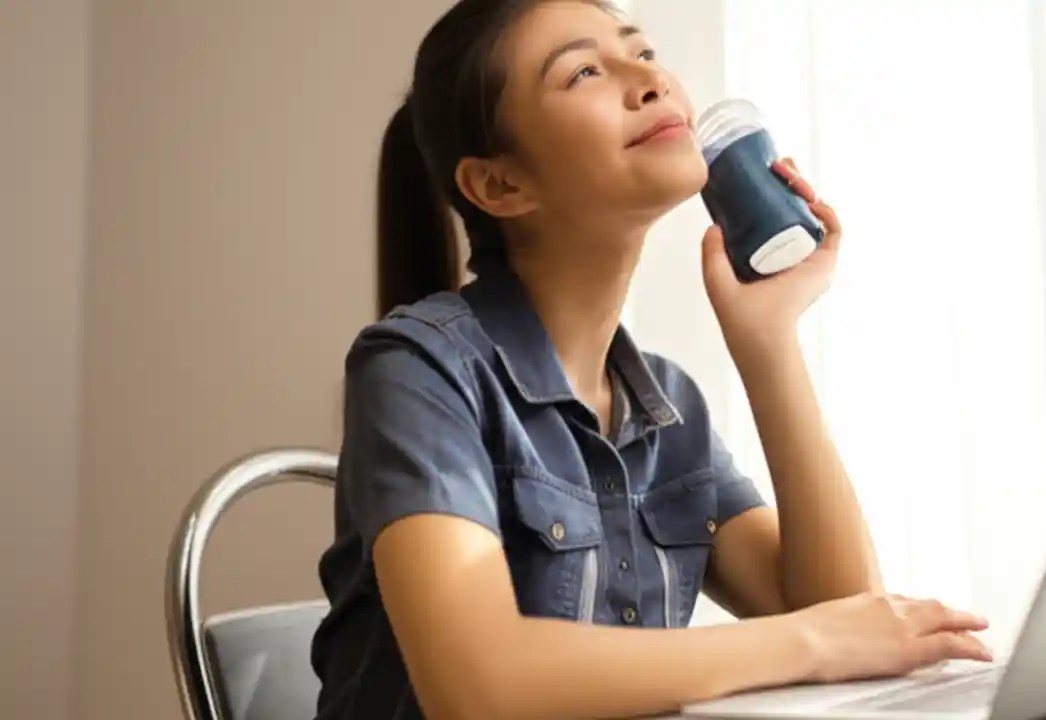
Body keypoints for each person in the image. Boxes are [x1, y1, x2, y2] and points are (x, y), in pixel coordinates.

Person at [310, 1, 992, 718]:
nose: (649, 80)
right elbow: (478, 683)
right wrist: (811, 642)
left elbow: (845, 616)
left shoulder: (666, 408)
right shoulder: (417, 370)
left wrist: (769, 341)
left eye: (641, 53)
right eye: (583, 72)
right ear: (500, 185)